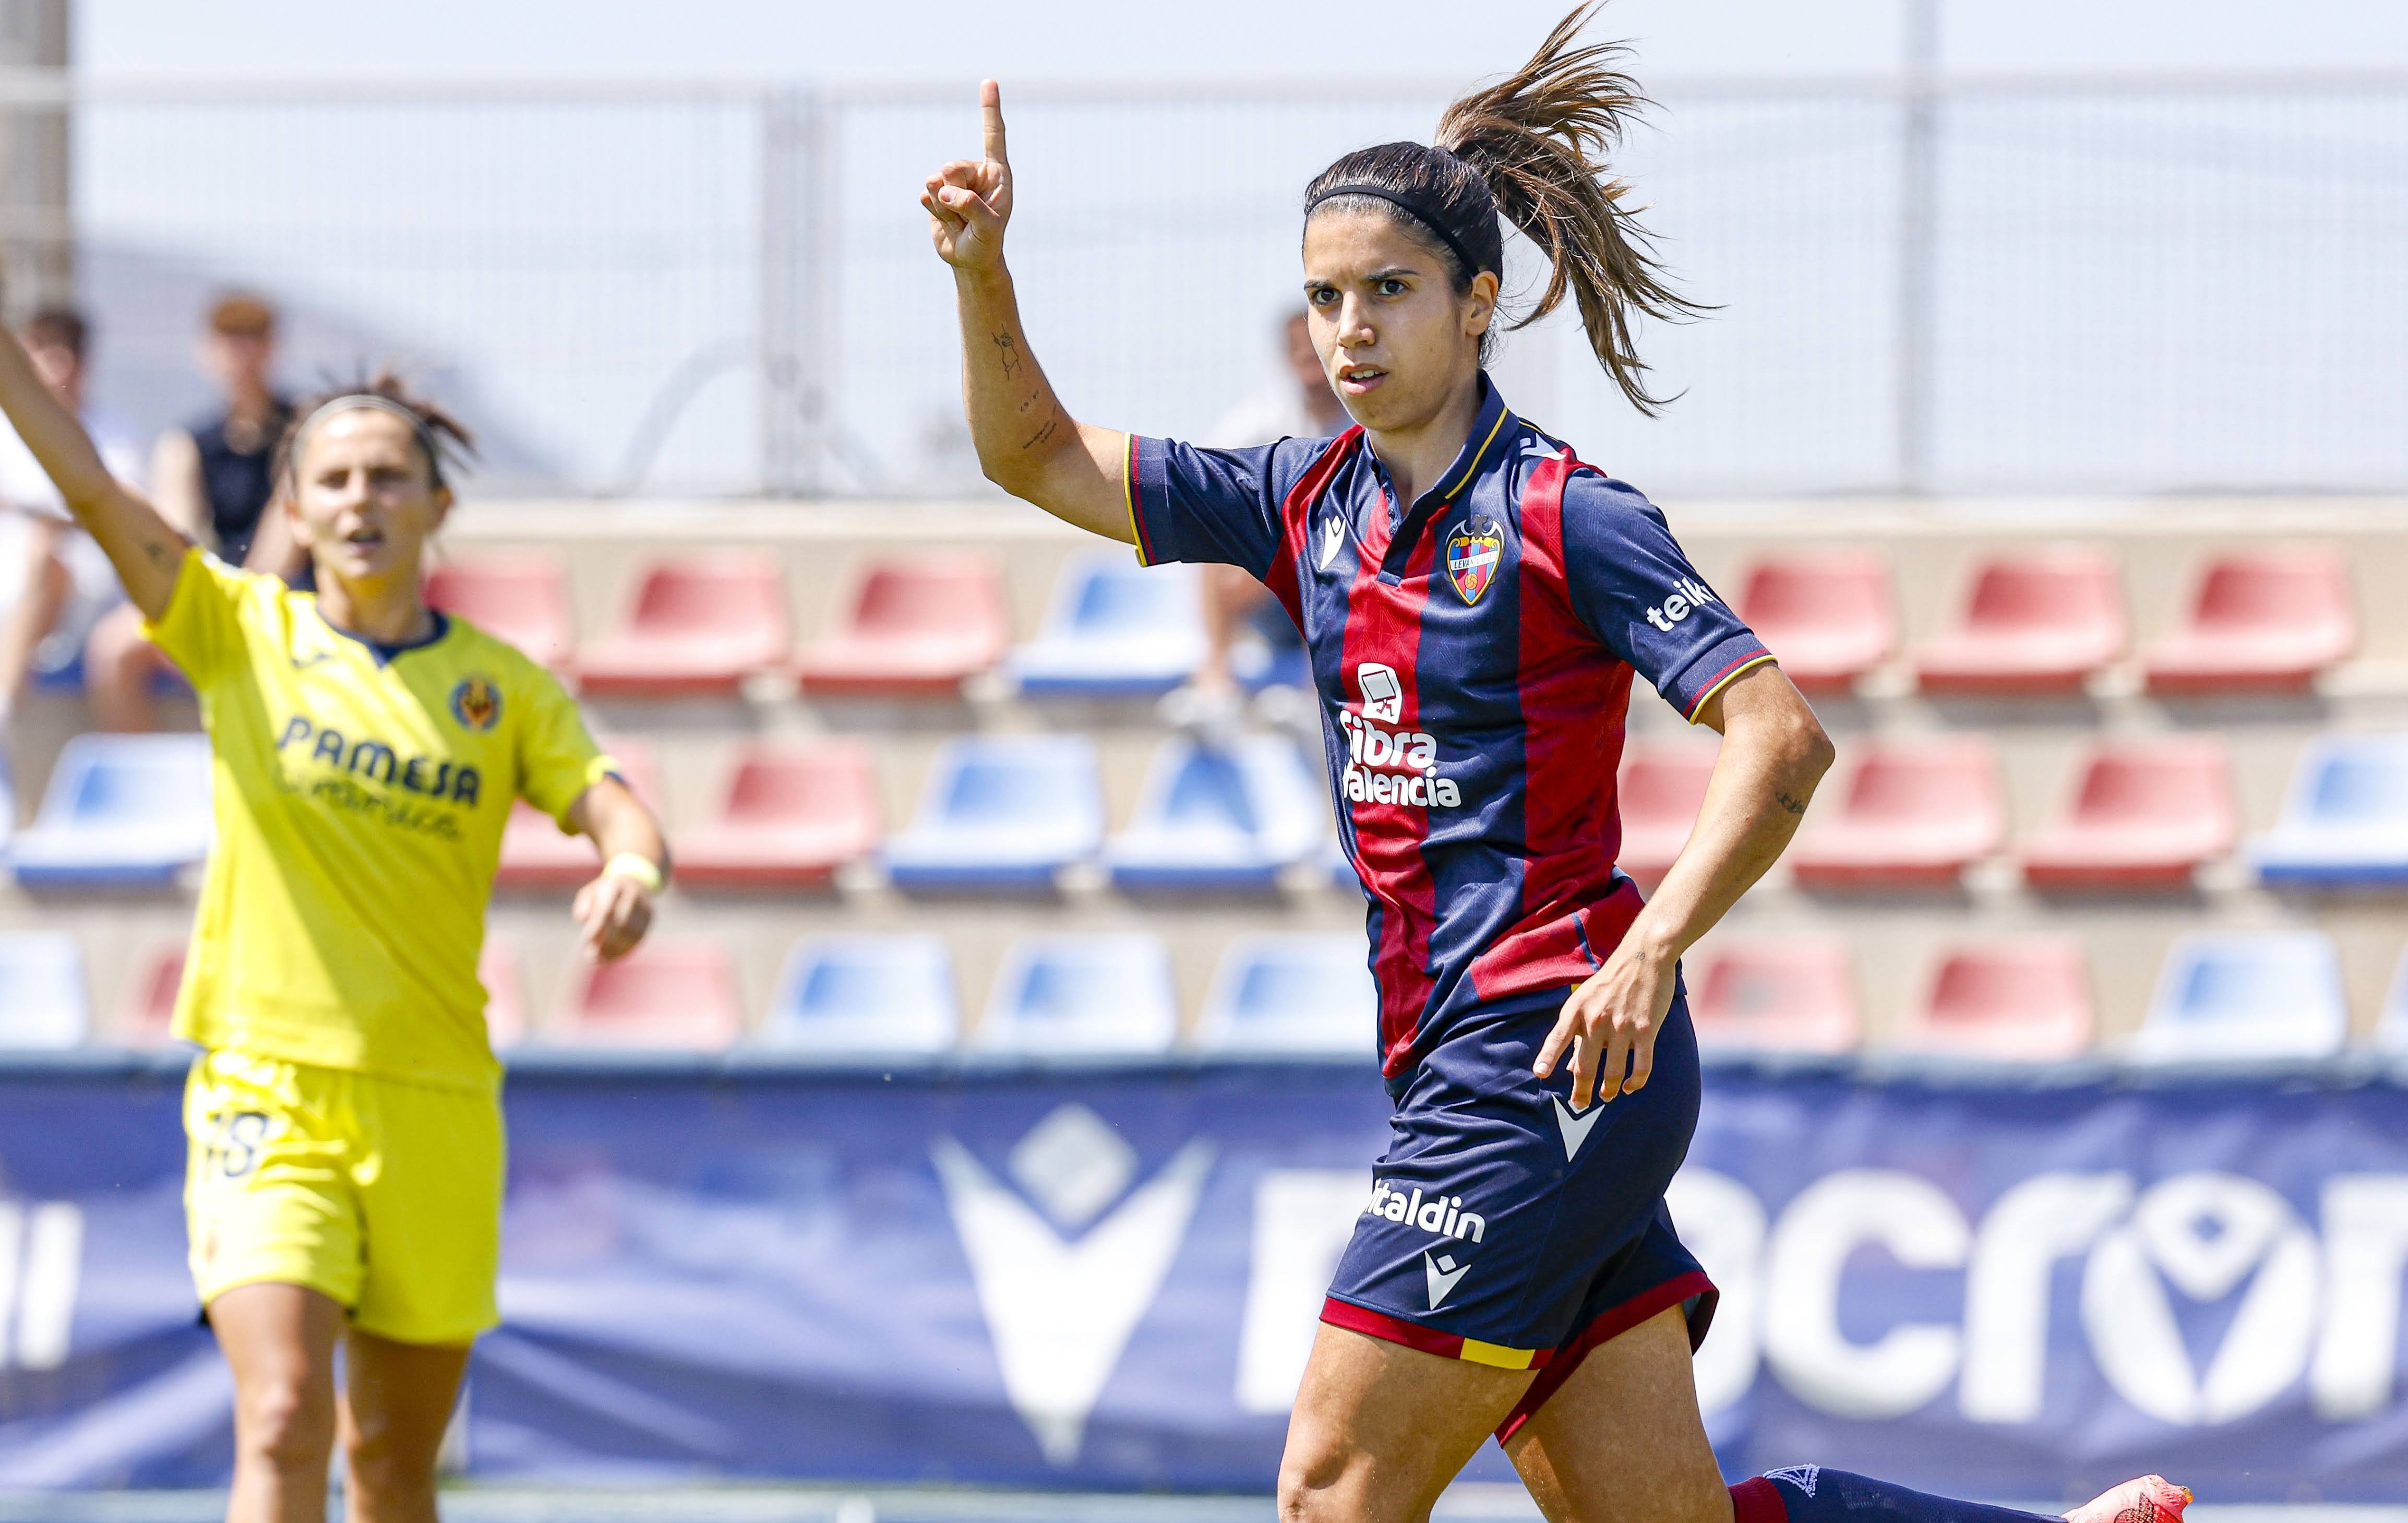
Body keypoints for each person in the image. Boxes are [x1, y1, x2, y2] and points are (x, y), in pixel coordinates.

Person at [920, 10, 2193, 1523]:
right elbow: (1035, 458)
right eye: (1325, 297)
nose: (1348, 330)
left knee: (1329, 1493)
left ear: (1477, 304)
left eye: (1387, 293)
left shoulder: (1562, 514)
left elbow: (1779, 738)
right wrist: (981, 272)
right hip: (1466, 1060)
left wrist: (1652, 947)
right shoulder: (1296, 497)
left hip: (1541, 1055)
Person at [0, 338, 670, 1523]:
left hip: (436, 1103)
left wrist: (629, 865)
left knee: (395, 1467)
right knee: (282, 1413)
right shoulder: (237, 629)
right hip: (268, 1086)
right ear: (297, 509)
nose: (364, 498)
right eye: (338, 479)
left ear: (439, 503)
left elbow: (617, 806)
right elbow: (95, 492)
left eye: (389, 476)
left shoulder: (499, 687)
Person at [85, 291, 299, 732]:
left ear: (272, 347)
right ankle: (137, 786)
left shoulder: (306, 432)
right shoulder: (189, 442)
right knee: (112, 648)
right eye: (229, 340)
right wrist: (186, 607)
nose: (241, 354)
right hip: (221, 592)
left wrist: (246, 605)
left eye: (251, 339)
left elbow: (287, 533)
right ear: (208, 351)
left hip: (293, 597)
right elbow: (175, 533)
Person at [1172, 309, 1346, 718]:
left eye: (1316, 352)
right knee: (1212, 543)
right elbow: (1202, 492)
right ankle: (1215, 674)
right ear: (1287, 357)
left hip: (1344, 592)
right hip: (1269, 602)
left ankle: (1316, 691)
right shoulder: (1257, 422)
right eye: (1299, 353)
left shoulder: (1369, 421)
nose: (1311, 364)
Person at [0, 307, 147, 724]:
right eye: (44, 348)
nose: (57, 362)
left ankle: (4, 713)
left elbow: (118, 508)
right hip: (11, 582)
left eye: (69, 350)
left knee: (44, 554)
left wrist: (37, 515)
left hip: (84, 589)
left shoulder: (115, 431)